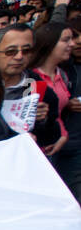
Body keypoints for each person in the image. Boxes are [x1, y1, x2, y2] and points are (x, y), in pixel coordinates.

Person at [29, 22, 81, 199]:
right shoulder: (32, 78)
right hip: (39, 153)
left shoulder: (63, 75)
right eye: (66, 40)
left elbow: (56, 113)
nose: (72, 44)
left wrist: (63, 134)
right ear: (49, 43)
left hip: (60, 148)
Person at [0, 24, 61, 150]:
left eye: (26, 51)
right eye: (11, 51)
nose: (19, 56)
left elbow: (52, 136)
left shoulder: (39, 89)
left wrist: (43, 121)